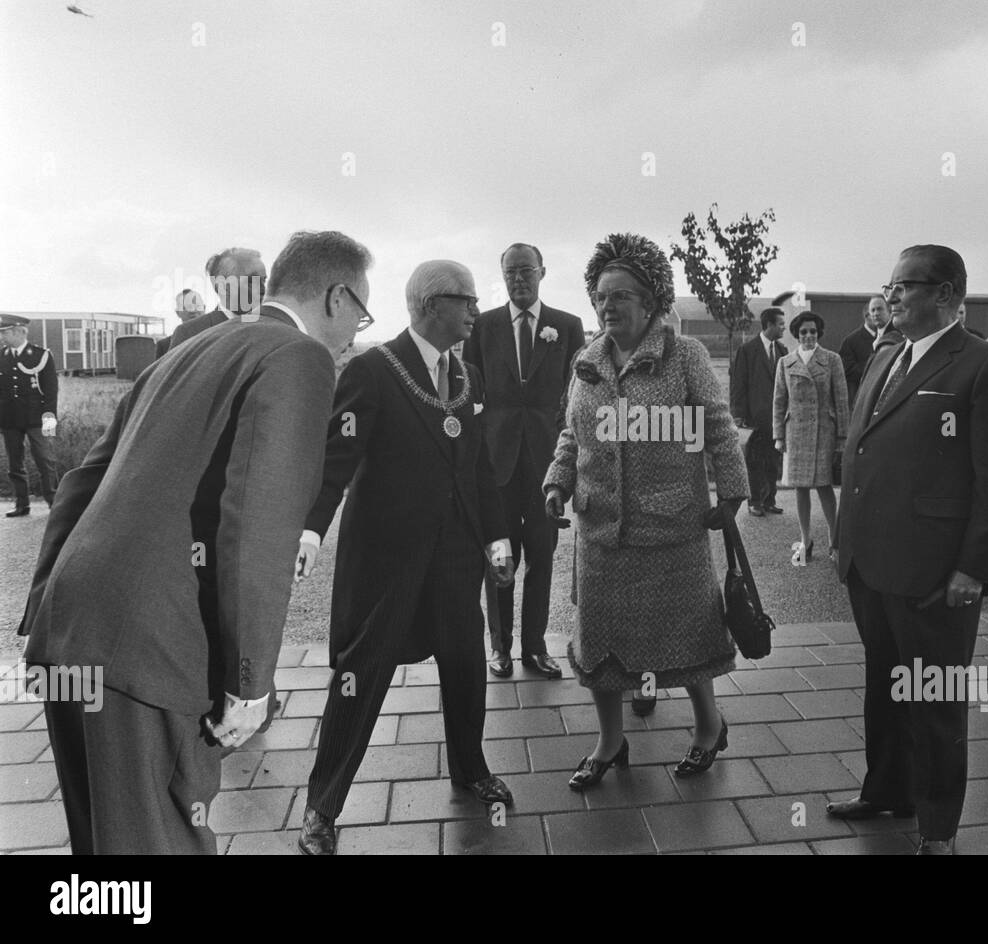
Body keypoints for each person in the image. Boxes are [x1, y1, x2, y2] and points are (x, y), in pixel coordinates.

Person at [18, 229, 370, 853]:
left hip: (72, 634)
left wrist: (47, 606)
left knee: (102, 851)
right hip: (151, 654)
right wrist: (250, 681)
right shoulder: (298, 357)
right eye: (361, 314)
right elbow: (257, 520)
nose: (354, 337)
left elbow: (80, 482)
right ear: (337, 297)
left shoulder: (188, 349)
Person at [295, 260, 515, 855]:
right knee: (359, 679)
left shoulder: (466, 375)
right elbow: (335, 459)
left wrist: (496, 537)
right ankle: (322, 807)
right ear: (428, 305)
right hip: (388, 558)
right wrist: (311, 531)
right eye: (466, 300)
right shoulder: (373, 369)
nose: (476, 309)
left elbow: (481, 469)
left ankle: (470, 768)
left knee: (466, 670)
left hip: (455, 556)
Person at [829, 245, 988, 855]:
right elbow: (864, 450)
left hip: (937, 570)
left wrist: (974, 566)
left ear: (946, 294)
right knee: (885, 684)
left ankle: (937, 826)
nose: (892, 297)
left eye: (904, 286)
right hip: (871, 562)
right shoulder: (886, 356)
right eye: (888, 286)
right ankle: (888, 789)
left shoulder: (984, 366)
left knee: (934, 696)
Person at [543, 232, 748, 791]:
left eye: (621, 296)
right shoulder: (588, 360)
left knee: (688, 637)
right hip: (601, 529)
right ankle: (611, 743)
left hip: (671, 527)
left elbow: (718, 428)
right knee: (599, 643)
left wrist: (730, 494)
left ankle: (709, 726)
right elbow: (572, 433)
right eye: (601, 297)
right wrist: (558, 482)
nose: (608, 307)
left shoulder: (685, 357)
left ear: (653, 300)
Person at [464, 242, 585, 680]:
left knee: (542, 555)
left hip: (545, 464)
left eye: (526, 270)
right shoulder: (484, 326)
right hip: (495, 462)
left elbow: (578, 397)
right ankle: (499, 649)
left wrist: (570, 462)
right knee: (498, 556)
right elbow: (470, 391)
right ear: (503, 275)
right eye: (511, 271)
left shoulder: (567, 327)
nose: (519, 279)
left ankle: (535, 648)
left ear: (542, 272)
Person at [773, 310, 849, 565]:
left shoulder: (832, 359)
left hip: (823, 432)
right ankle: (805, 541)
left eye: (813, 332)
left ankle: (834, 541)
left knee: (825, 486)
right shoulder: (785, 362)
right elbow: (779, 401)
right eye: (803, 332)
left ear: (818, 334)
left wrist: (842, 436)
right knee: (800, 487)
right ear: (797, 334)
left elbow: (841, 399)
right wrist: (778, 436)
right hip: (796, 432)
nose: (808, 336)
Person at [730, 306, 787, 516]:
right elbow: (738, 384)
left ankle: (769, 500)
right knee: (755, 461)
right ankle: (754, 501)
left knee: (773, 460)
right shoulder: (747, 350)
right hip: (754, 418)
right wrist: (739, 415)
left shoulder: (782, 351)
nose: (784, 327)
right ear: (769, 325)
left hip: (776, 418)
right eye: (781, 324)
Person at [1, 315, 59, 518]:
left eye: (4, 332)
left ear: (19, 331)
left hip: (37, 419)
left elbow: (51, 393)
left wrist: (49, 425)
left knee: (46, 461)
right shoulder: (2, 356)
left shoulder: (40, 355)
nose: (2, 336)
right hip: (9, 420)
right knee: (15, 464)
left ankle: (55, 503)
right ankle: (22, 505)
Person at [165, 247, 265, 351]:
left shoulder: (270, 330)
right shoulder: (189, 333)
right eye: (251, 281)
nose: (263, 289)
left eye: (263, 280)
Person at [839, 295, 889, 406]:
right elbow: (847, 370)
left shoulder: (890, 336)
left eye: (880, 309)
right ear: (867, 316)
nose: (876, 314)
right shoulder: (850, 341)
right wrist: (874, 367)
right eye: (873, 310)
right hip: (862, 398)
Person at [155, 289, 205, 360]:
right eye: (186, 307)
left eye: (197, 306)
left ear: (204, 308)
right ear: (178, 313)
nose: (192, 310)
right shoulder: (164, 346)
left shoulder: (219, 337)